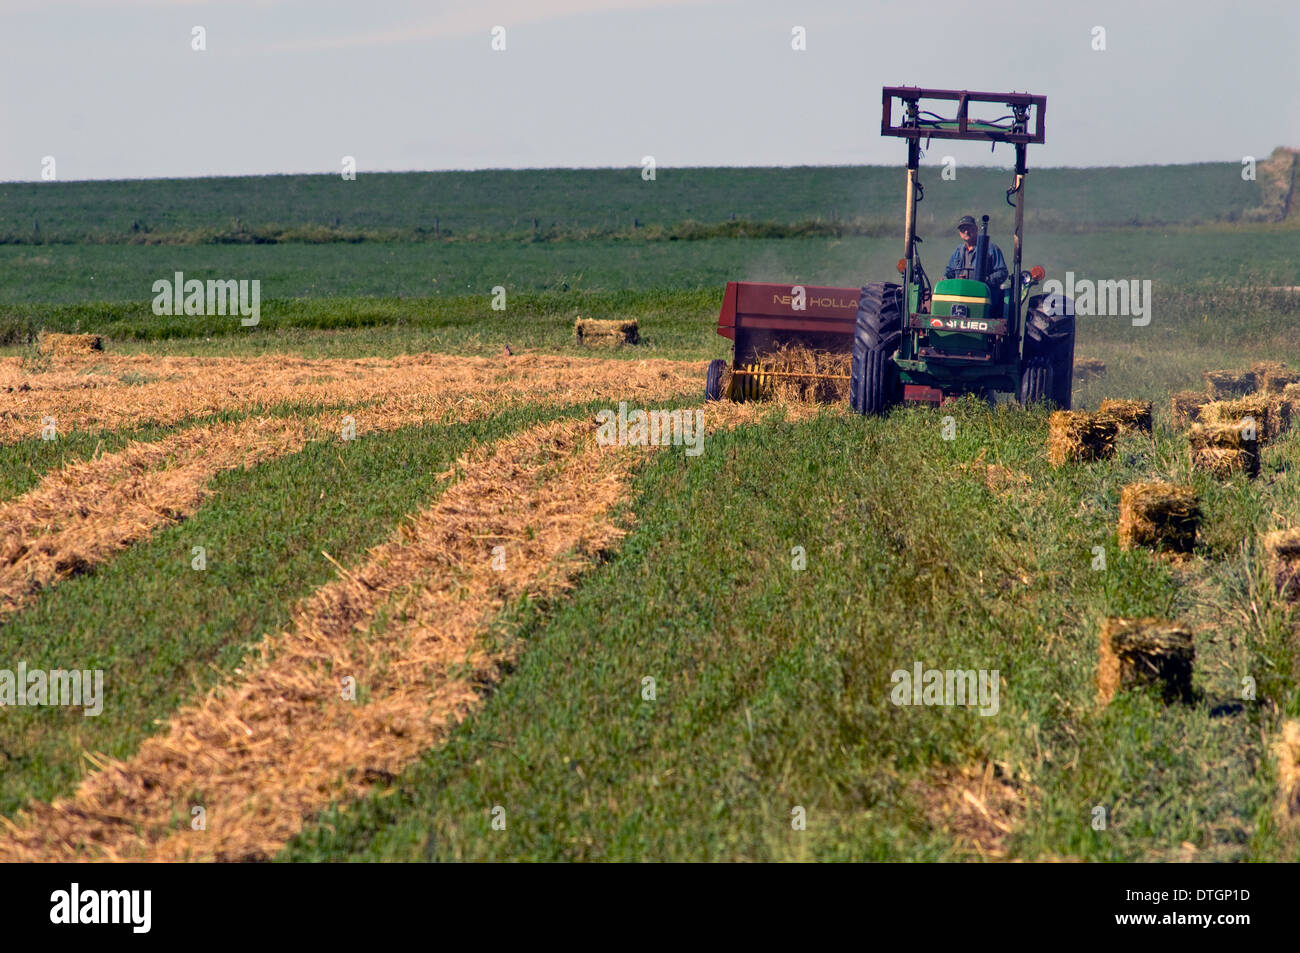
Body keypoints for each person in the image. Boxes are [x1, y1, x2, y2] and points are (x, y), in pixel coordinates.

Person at [944, 215, 1007, 288]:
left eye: (969, 228)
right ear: (960, 233)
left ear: (976, 229)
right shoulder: (958, 251)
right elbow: (949, 272)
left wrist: (984, 281)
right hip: (960, 292)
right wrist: (949, 279)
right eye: (963, 229)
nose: (966, 231)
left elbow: (1002, 272)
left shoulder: (991, 249)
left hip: (982, 293)